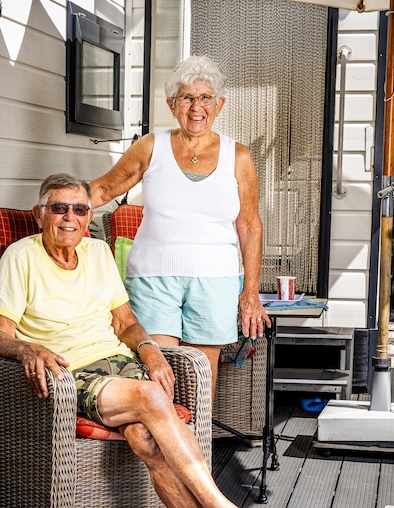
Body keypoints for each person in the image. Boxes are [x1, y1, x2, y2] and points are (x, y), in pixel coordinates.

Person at [0, 173, 299, 508]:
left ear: (89, 217)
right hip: (71, 374)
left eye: (78, 209)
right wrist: (26, 348)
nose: (69, 217)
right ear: (40, 215)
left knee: (149, 441)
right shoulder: (21, 257)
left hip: (120, 365)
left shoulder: (96, 254)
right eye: (59, 208)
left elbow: (125, 322)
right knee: (154, 398)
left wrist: (149, 348)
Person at [88, 55, 269, 397]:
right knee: (159, 372)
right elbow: (103, 189)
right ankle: (159, 449)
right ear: (172, 104)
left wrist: (251, 292)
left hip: (216, 280)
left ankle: (197, 449)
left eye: (205, 98)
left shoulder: (239, 156)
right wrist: (58, 204)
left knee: (201, 376)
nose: (196, 107)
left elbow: (250, 226)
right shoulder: (150, 147)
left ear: (220, 104)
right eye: (187, 97)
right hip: (154, 279)